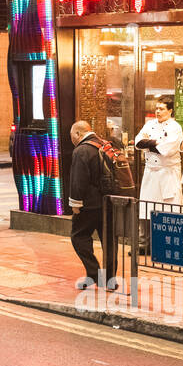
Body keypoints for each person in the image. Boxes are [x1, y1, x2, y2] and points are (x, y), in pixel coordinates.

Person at [67, 120, 115, 289]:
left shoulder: (82, 150)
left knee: (78, 237)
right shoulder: (106, 144)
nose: (71, 139)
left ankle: (94, 274)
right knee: (109, 241)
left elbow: (78, 181)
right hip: (109, 202)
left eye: (72, 135)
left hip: (89, 205)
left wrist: (75, 204)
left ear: (78, 134)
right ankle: (110, 280)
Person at [135, 98, 183, 221]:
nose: (158, 111)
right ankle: (147, 239)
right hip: (150, 173)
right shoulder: (149, 124)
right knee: (148, 211)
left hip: (168, 174)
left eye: (161, 109)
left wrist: (148, 145)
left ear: (170, 111)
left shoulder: (175, 127)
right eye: (156, 108)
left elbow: (167, 150)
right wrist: (157, 142)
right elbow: (138, 142)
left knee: (170, 212)